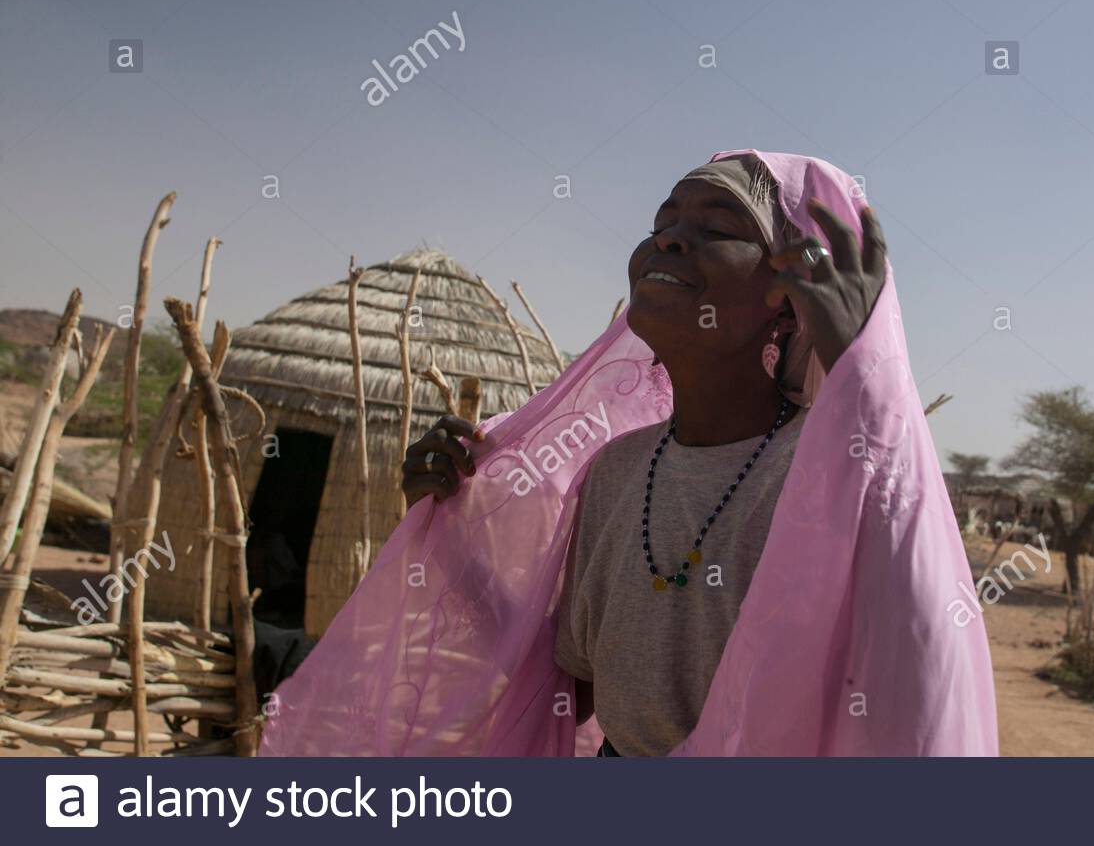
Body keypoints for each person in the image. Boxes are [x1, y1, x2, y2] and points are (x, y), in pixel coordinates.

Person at [258, 150, 998, 757]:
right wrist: (448, 531)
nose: (670, 239)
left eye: (718, 226)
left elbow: (909, 636)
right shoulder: (617, 471)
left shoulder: (834, 472)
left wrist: (857, 368)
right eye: (662, 222)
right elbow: (568, 677)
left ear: (788, 289)